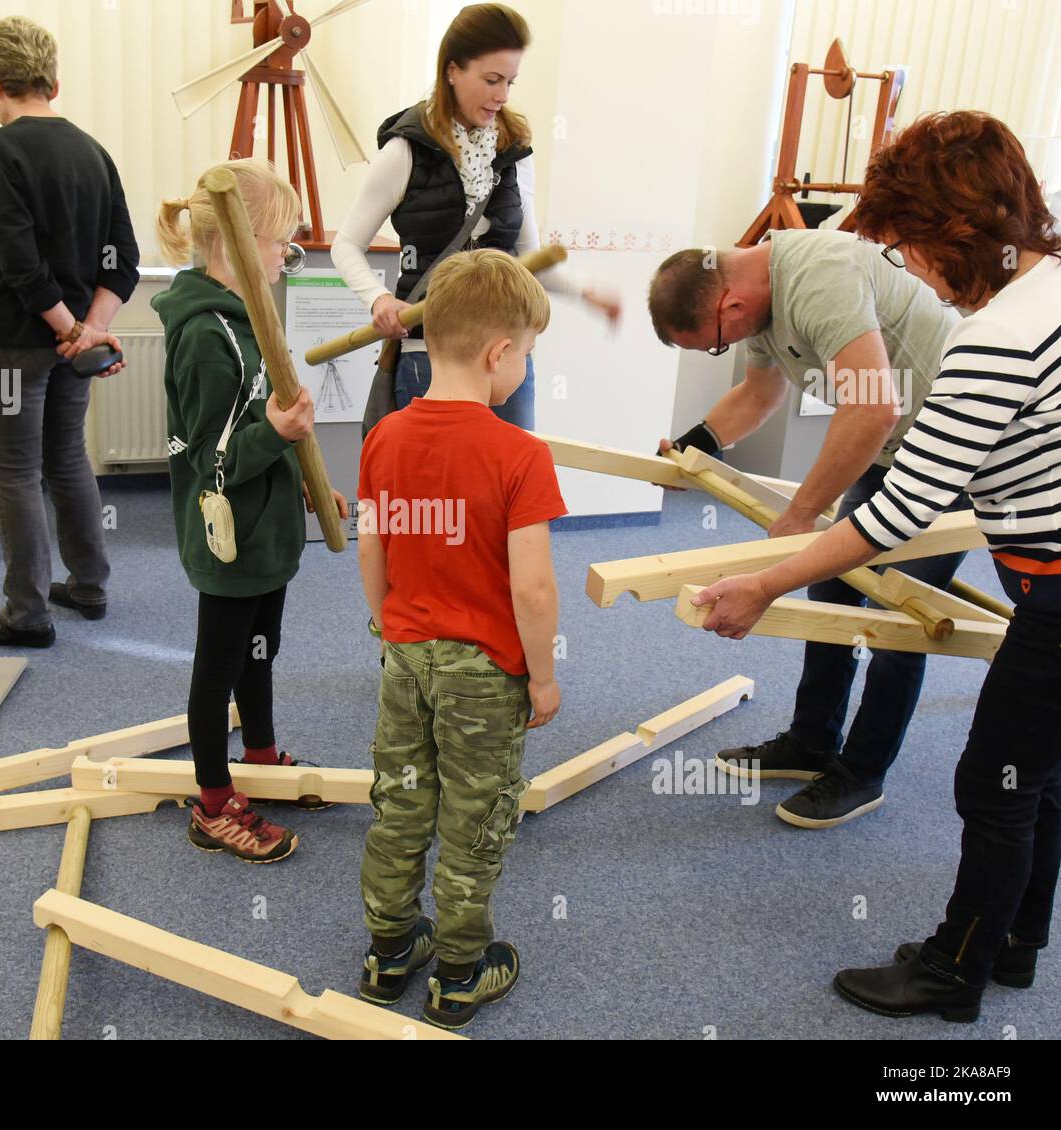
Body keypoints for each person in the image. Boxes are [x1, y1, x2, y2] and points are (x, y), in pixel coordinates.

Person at [693, 112, 1061, 1021]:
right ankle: (1013, 943)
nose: (916, 272)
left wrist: (766, 581)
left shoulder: (997, 340)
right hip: (1041, 567)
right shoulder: (1049, 290)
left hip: (1053, 586)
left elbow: (898, 509)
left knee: (994, 779)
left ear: (956, 234)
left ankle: (954, 973)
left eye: (915, 248)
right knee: (1040, 774)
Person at [648, 225, 968, 829]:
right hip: (888, 448)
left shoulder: (820, 278)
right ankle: (812, 741)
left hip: (952, 449)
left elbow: (874, 407)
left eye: (716, 343)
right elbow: (756, 396)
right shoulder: (755, 300)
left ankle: (861, 772)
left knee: (901, 613)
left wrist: (800, 516)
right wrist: (692, 452)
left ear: (730, 306)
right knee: (836, 590)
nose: (726, 348)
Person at [355, 249, 566, 1029]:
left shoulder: (383, 439)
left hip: (405, 658)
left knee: (401, 804)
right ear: (498, 353)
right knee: (476, 816)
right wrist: (541, 677)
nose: (524, 372)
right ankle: (460, 968)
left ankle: (386, 950)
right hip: (484, 674)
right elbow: (533, 588)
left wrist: (389, 625)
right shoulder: (520, 453)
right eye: (528, 356)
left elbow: (372, 549)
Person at [154, 159, 347, 864]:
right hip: (228, 537)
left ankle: (259, 759)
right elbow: (212, 464)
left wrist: (308, 481)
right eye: (278, 244)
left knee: (261, 653)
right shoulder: (207, 338)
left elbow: (269, 419)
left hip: (270, 530)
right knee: (219, 666)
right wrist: (282, 436)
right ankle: (211, 800)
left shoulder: (253, 321)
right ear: (235, 243)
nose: (285, 258)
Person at [332, 2, 618, 431]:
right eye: (491, 80)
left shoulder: (515, 154)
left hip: (506, 355)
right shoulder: (405, 150)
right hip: (430, 355)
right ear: (452, 70)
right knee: (432, 490)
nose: (502, 95)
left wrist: (586, 292)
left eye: (510, 82)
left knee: (508, 484)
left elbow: (529, 263)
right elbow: (347, 244)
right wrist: (378, 299)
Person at [0, 15, 138, 648]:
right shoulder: (92, 151)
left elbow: (17, 263)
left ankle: (27, 613)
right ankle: (88, 585)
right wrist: (89, 331)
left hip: (12, 341)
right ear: (55, 82)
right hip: (72, 348)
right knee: (67, 458)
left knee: (14, 472)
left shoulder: (1, 148)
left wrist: (71, 329)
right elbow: (122, 256)